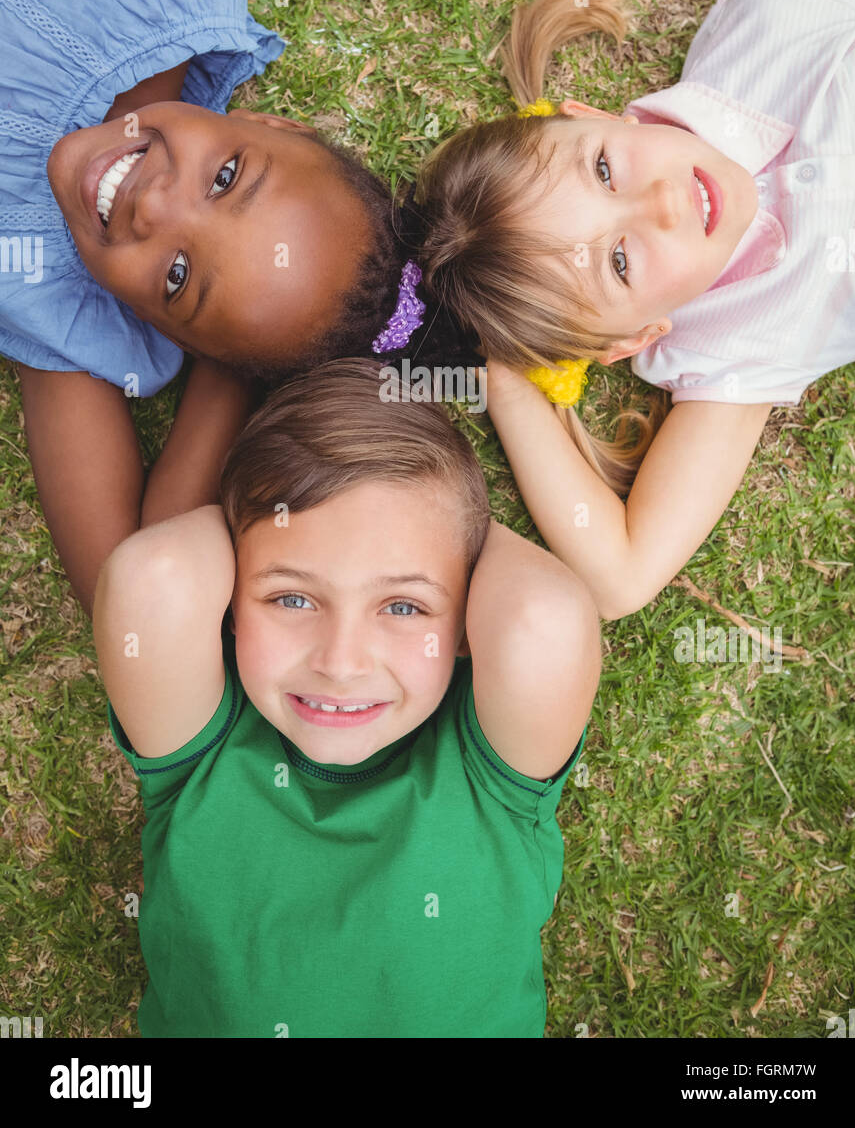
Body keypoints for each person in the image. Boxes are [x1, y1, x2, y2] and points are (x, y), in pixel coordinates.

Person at [0, 0, 410, 614]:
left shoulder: (55, 293)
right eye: (228, 176)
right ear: (269, 125)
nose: (154, 205)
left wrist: (242, 366)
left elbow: (128, 589)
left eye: (181, 279)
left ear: (158, 328)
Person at [92, 358, 601, 1038]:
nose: (339, 661)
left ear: (468, 619)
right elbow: (152, 578)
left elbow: (545, 618)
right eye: (292, 597)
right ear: (230, 604)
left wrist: (450, 522)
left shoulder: (489, 781)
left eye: (403, 606)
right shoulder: (199, 757)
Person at [414, 0, 855, 619]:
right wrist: (504, 381)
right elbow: (621, 578)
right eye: (620, 263)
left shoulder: (768, 19)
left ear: (595, 115)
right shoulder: (739, 342)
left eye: (603, 169)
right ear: (635, 338)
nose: (661, 202)